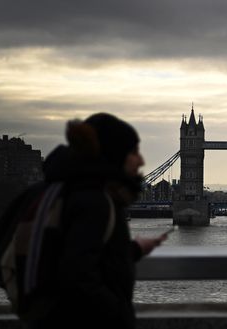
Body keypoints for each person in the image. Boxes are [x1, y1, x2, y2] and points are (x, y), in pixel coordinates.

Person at [29, 113, 166, 329]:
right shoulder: (95, 201)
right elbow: (77, 275)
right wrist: (118, 314)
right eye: (134, 152)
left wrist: (133, 250)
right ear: (115, 154)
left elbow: (79, 252)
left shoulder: (56, 191)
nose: (141, 161)